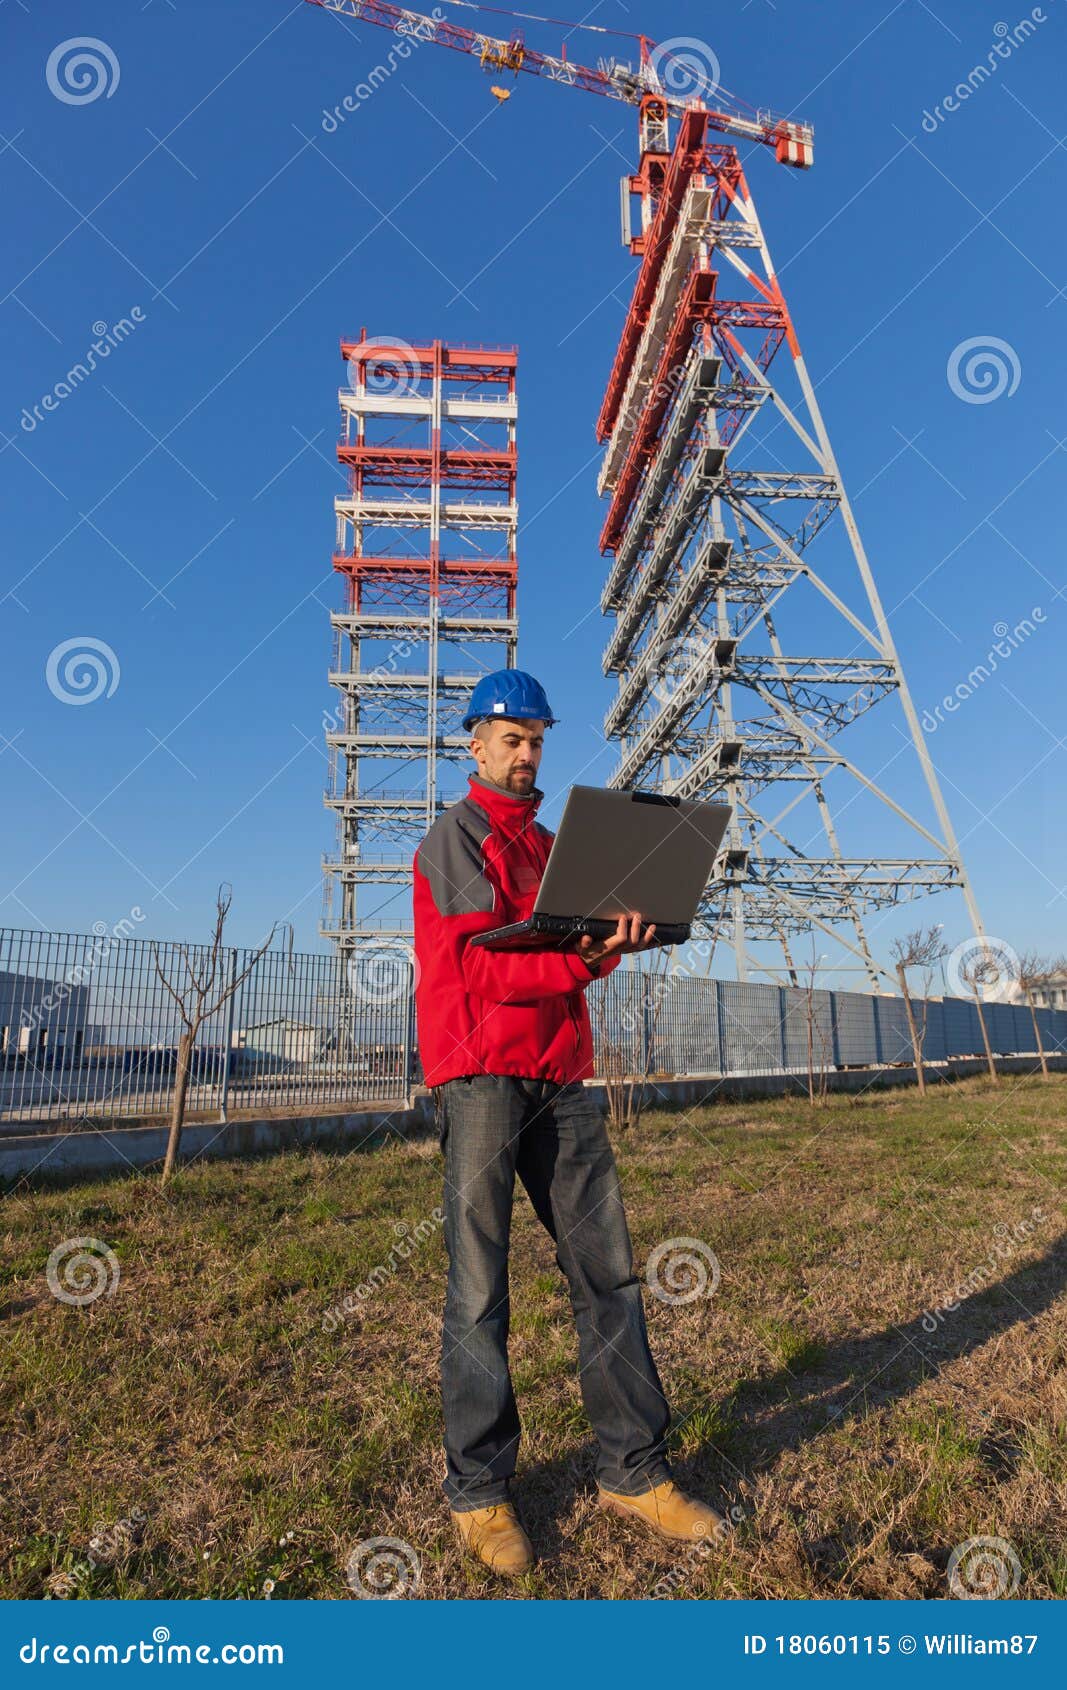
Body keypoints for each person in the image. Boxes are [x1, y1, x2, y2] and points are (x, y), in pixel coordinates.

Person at [412, 668, 724, 1579]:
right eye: (510, 739)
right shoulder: (453, 839)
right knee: (479, 1290)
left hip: (562, 1076)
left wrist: (609, 943)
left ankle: (632, 1472)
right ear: (474, 743)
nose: (525, 753)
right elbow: (478, 968)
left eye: (537, 739)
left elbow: (566, 953)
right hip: (479, 1078)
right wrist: (581, 960)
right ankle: (477, 1494)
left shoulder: (555, 846)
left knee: (610, 1275)